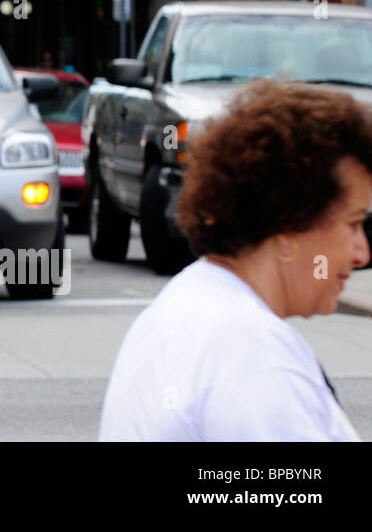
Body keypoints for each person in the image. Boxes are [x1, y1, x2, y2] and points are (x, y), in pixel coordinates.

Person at [99, 80, 370, 441]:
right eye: (353, 224)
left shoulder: (190, 305)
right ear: (289, 227)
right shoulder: (254, 358)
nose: (362, 253)